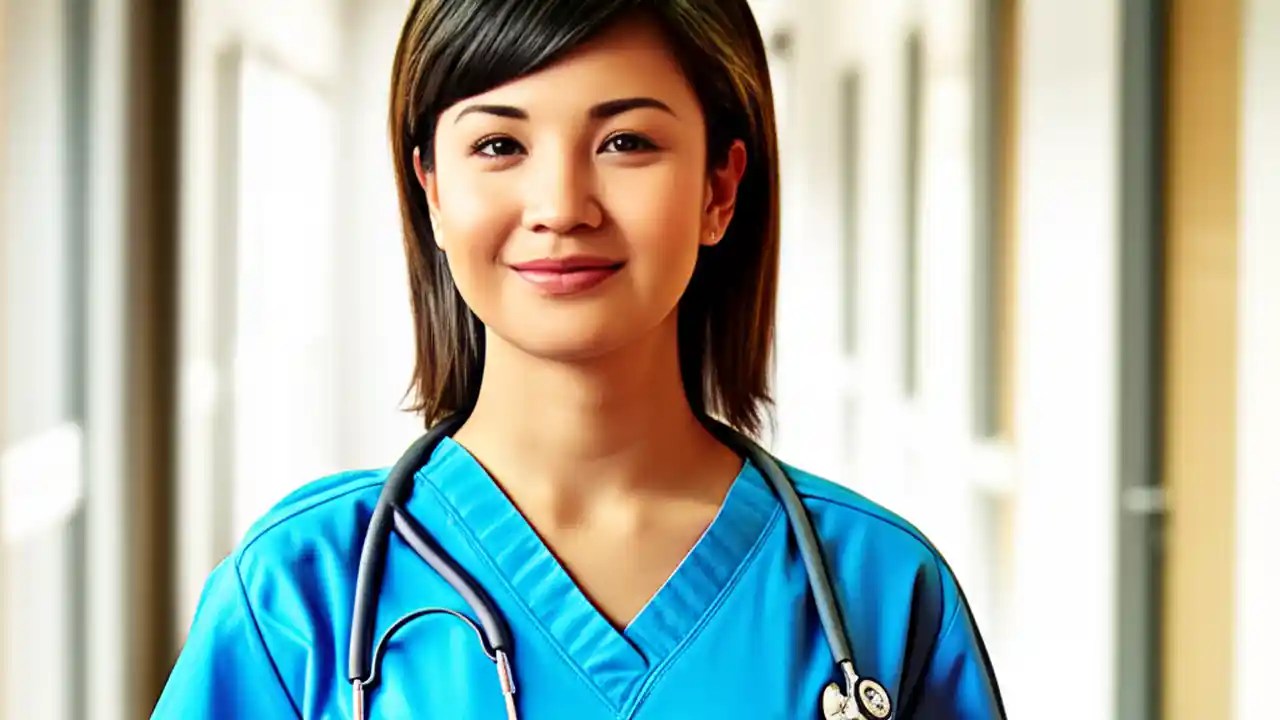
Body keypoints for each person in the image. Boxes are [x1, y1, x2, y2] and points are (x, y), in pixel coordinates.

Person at [153, 1, 1005, 717]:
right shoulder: (299, 597)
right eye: (499, 146)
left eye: (626, 142)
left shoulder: (883, 594)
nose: (561, 207)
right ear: (433, 191)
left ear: (719, 189)